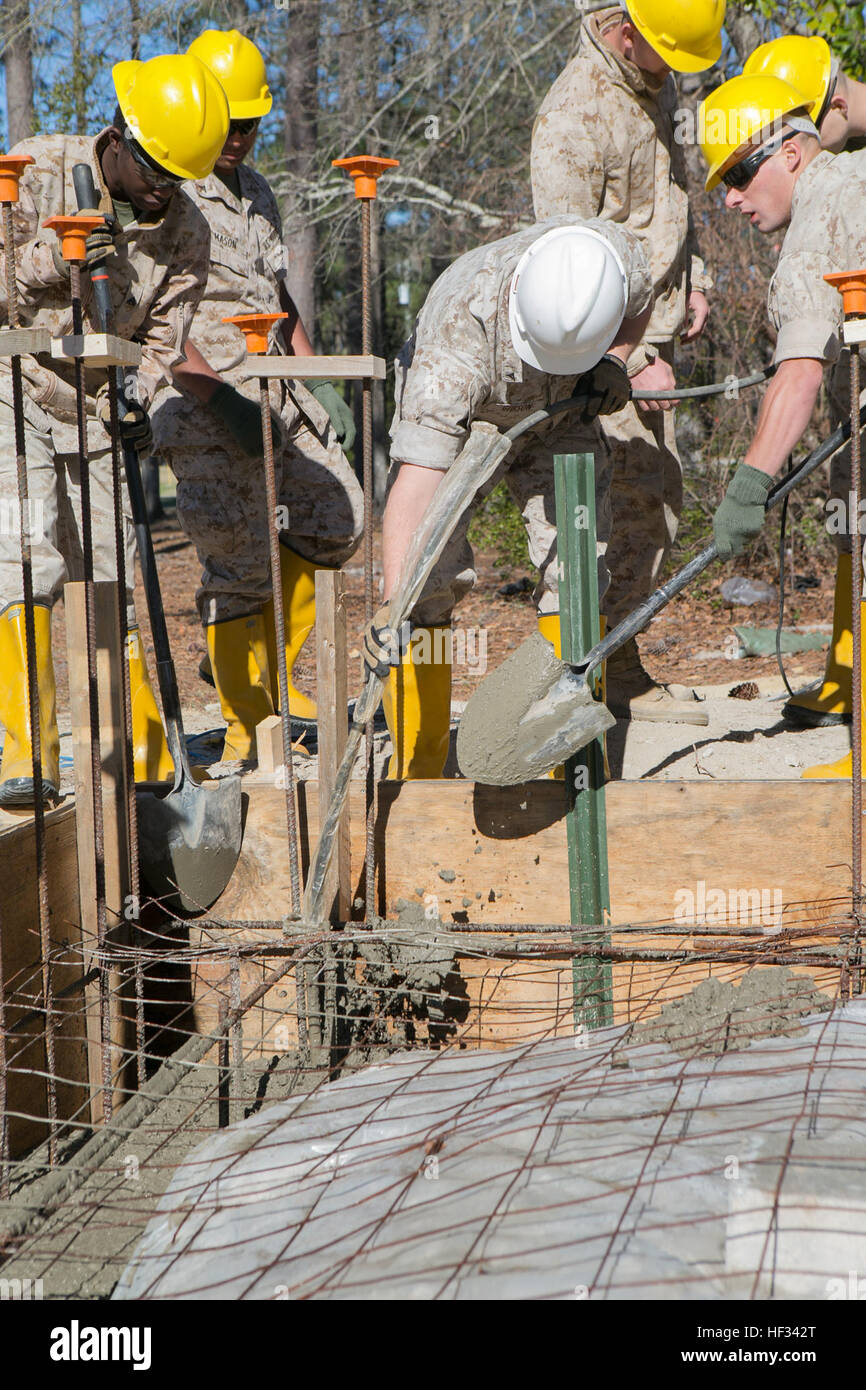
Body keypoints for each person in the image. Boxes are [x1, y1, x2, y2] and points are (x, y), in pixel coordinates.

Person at [0, 53, 228, 806]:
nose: (165, 188)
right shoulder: (35, 169)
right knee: (22, 562)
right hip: (15, 392)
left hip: (100, 409)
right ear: (119, 138)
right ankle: (24, 751)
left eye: (179, 177)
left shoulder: (186, 231)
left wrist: (145, 399)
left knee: (115, 570)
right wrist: (50, 259)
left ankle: (128, 747)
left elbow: (165, 339)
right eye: (155, 168)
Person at [363, 218, 652, 779]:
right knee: (429, 581)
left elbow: (643, 299)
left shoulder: (613, 261)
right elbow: (418, 482)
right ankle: (419, 766)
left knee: (580, 572)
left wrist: (614, 359)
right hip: (474, 417)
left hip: (568, 405)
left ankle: (560, 758)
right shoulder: (454, 345)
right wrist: (393, 606)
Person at [151, 29, 363, 761]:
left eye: (253, 124)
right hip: (203, 399)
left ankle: (264, 667)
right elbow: (153, 320)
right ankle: (250, 725)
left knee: (339, 515)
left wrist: (316, 378)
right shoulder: (167, 187)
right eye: (231, 123)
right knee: (239, 566)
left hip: (276, 387)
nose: (241, 137)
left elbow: (276, 293)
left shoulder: (258, 190)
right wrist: (215, 397)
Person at [530, 0, 726, 726]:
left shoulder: (654, 84)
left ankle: (622, 660)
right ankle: (585, 677)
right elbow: (564, 266)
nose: (677, 71)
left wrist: (696, 277)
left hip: (655, 338)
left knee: (656, 507)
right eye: (669, 54)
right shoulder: (573, 118)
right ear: (624, 33)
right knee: (603, 518)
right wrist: (634, 355)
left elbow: (673, 193)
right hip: (602, 355)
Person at [700, 73, 866, 778]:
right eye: (722, 183)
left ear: (793, 153)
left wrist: (749, 484)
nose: (732, 197)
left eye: (739, 172)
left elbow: (799, 373)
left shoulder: (824, 210)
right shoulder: (857, 174)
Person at [742, 35, 866, 729]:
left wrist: (749, 483)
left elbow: (799, 372)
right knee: (855, 494)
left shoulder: (828, 195)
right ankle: (849, 676)